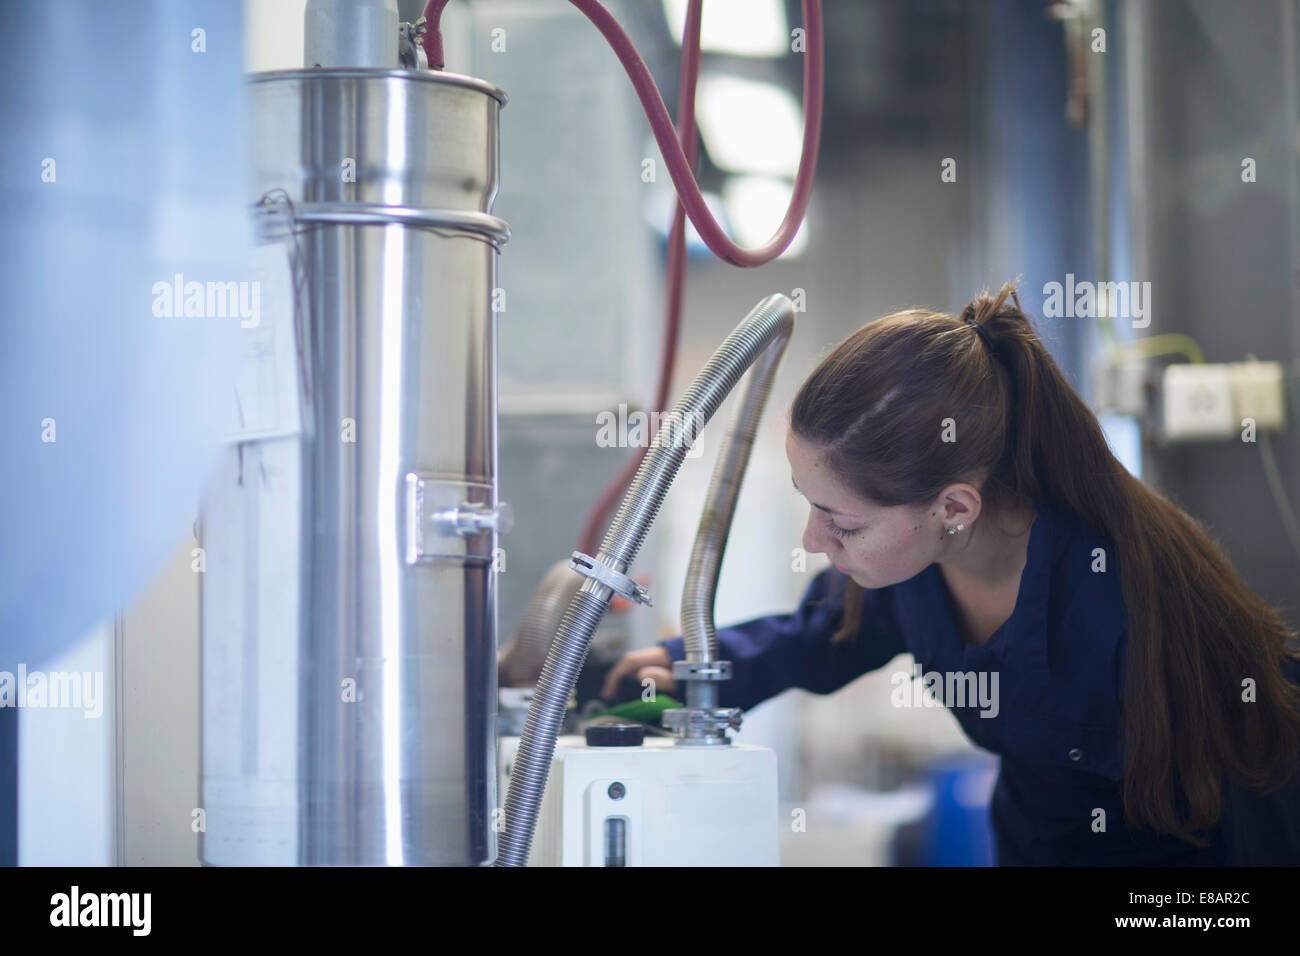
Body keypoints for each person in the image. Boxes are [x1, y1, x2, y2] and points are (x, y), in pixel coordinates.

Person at [601, 280, 1300, 865]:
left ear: (955, 507)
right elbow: (817, 636)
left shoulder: (1129, 602)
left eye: (841, 523)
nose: (816, 541)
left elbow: (1262, 825)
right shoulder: (916, 565)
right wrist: (687, 667)